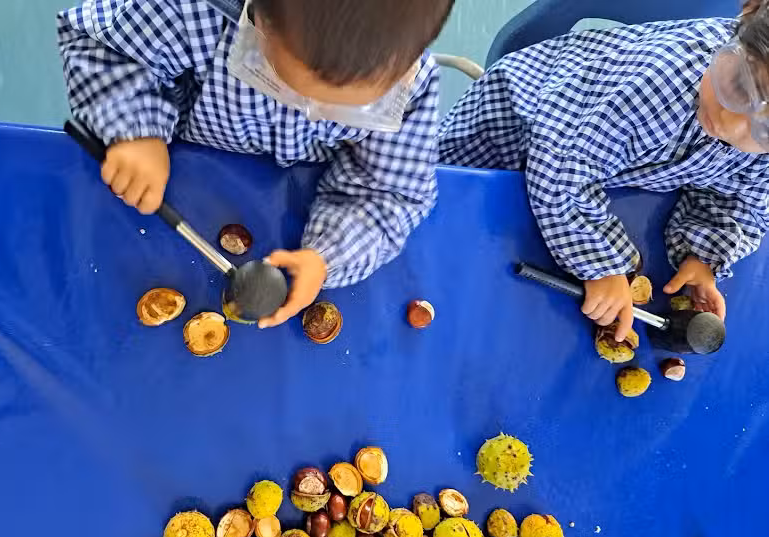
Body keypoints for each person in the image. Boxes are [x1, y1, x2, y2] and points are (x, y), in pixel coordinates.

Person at [58, 0, 454, 328]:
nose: (312, 114)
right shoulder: (192, 11)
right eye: (285, 84)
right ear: (259, 18)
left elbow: (389, 192)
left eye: (347, 109)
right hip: (183, 171)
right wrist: (136, 131)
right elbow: (100, 45)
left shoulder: (412, 85)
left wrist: (328, 257)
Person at [439, 0, 769, 341]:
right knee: (444, 250)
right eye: (739, 86)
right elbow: (564, 164)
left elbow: (741, 201)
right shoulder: (659, 81)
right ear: (742, 19)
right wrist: (602, 265)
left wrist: (703, 255)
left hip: (598, 174)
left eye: (765, 127)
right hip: (505, 136)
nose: (729, 124)